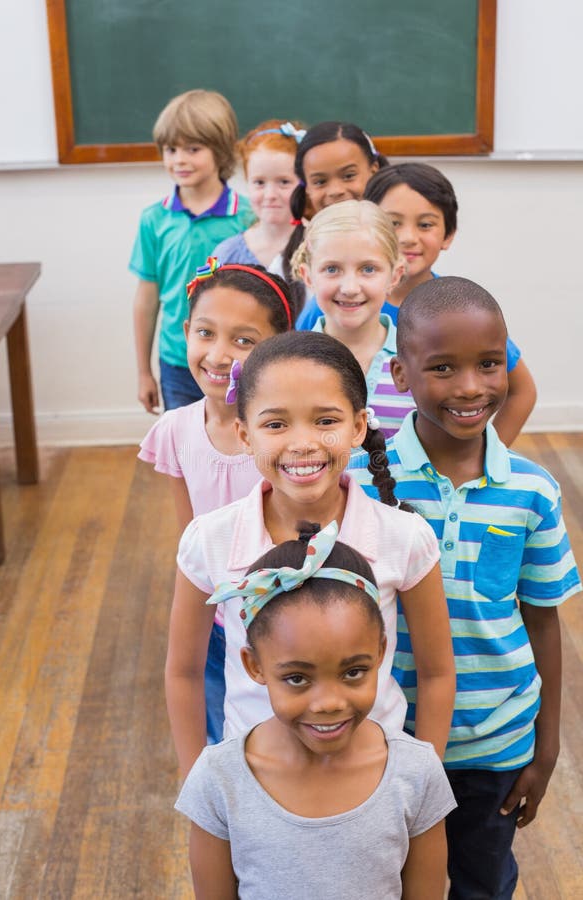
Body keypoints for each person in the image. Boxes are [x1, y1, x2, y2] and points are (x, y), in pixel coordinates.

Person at [348, 276, 581, 899]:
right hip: (383, 738)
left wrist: (547, 744)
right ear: (400, 374)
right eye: (444, 367)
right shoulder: (358, 485)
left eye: (489, 364)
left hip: (494, 743)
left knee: (481, 882)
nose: (472, 387)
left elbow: (541, 618)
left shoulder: (531, 490)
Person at [166, 330, 455, 780]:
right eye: (276, 424)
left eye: (325, 421)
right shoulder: (209, 539)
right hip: (254, 781)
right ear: (244, 434)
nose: (302, 443)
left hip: (375, 778)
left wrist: (424, 780)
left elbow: (437, 672)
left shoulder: (404, 536)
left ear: (359, 426)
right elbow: (184, 672)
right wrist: (196, 780)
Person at [176, 524, 457, 899]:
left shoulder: (418, 774)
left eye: (353, 672)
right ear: (254, 666)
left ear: (380, 651)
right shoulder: (218, 780)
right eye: (296, 678)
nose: (328, 703)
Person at [139, 260, 294, 744]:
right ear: (185, 331)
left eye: (244, 341)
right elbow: (191, 541)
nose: (219, 355)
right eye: (205, 333)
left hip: (289, 614)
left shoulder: (289, 435)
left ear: (278, 346)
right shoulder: (175, 430)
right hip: (217, 620)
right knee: (223, 733)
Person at [298, 163, 537, 444]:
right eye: (393, 223)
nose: (408, 237)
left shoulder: (455, 311)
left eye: (424, 224)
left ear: (448, 234)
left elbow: (521, 389)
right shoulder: (326, 308)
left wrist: (487, 460)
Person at [129, 89, 254, 414]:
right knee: (185, 455)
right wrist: (144, 373)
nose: (179, 160)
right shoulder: (154, 220)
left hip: (238, 361)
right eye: (171, 149)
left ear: (221, 151)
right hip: (177, 361)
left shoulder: (248, 217)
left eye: (192, 149)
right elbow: (146, 300)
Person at [292, 198, 414, 440]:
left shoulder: (417, 359)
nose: (349, 288)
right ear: (308, 276)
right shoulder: (289, 364)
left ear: (394, 276)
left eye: (368, 269)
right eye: (332, 269)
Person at [280, 121, 387, 314]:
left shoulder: (396, 244)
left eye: (348, 176)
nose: (336, 191)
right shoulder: (288, 262)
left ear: (374, 170)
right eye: (320, 181)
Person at [212, 119, 304, 276]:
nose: (270, 195)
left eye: (284, 182)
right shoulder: (226, 255)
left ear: (303, 182)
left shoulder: (318, 247)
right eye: (259, 182)